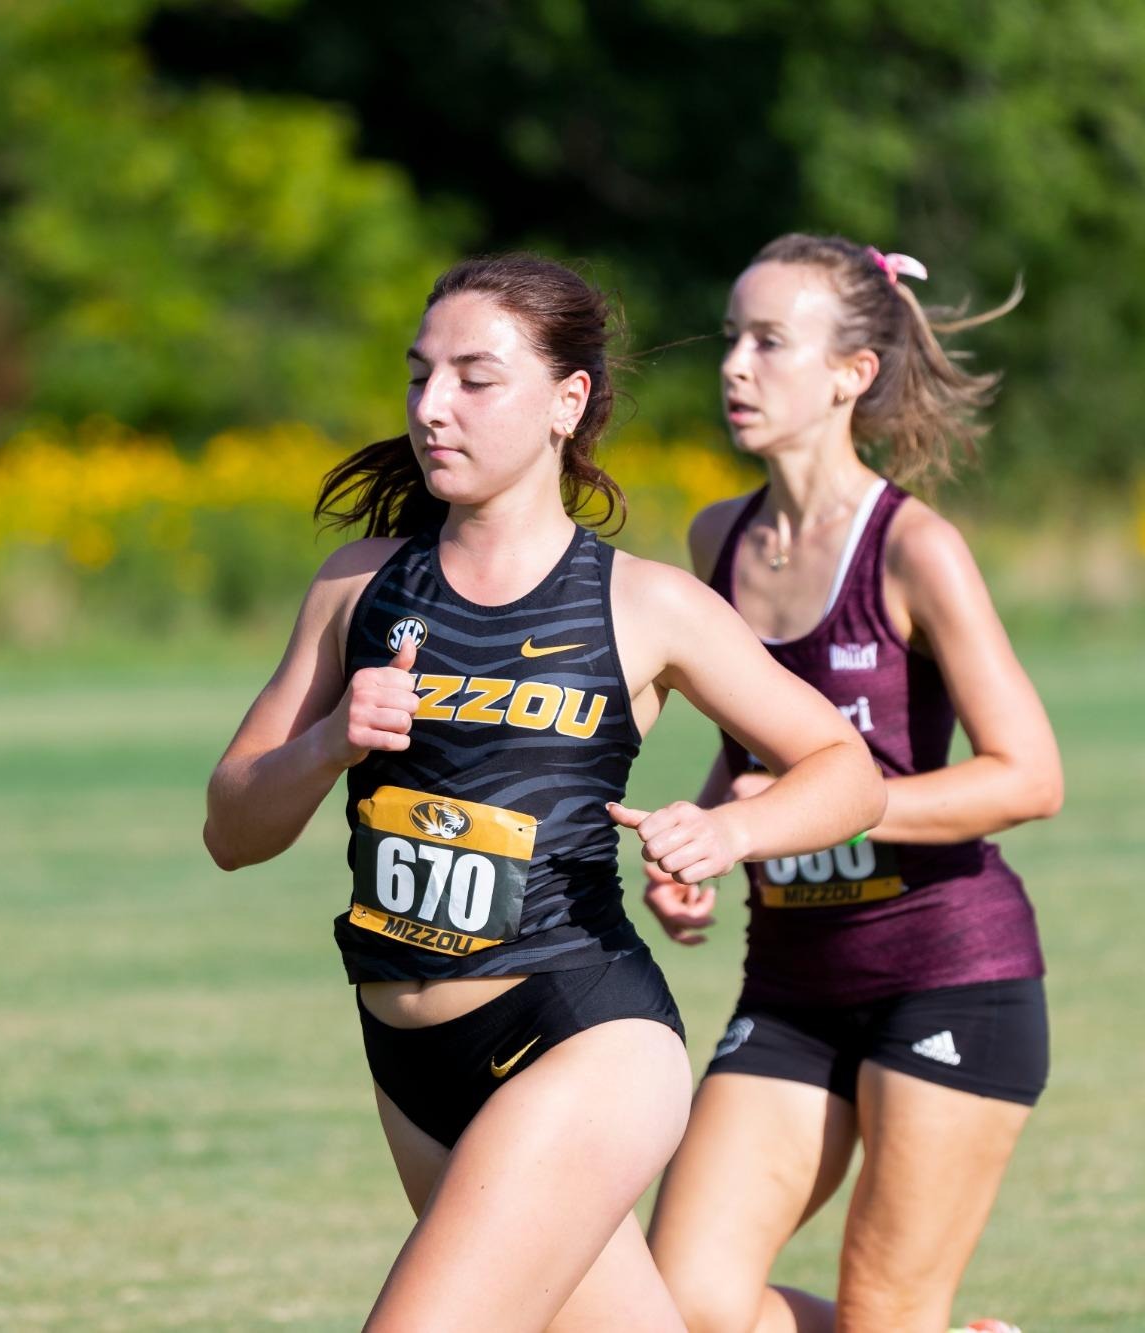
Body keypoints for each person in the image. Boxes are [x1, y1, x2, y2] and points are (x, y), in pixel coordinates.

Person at [203, 253, 885, 1332]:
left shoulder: (646, 604)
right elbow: (231, 828)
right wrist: (328, 743)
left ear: (568, 401)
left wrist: (727, 829)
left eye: (475, 379)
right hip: (409, 1058)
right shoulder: (354, 587)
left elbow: (847, 771)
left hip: (579, 1030)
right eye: (419, 375)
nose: (433, 406)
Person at [640, 233, 1063, 1333]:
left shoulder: (914, 550)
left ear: (850, 374)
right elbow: (756, 749)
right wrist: (704, 838)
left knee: (887, 1313)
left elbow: (1028, 776)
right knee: (679, 1305)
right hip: (789, 984)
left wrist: (773, 822)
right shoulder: (718, 540)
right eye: (730, 338)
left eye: (768, 342)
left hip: (948, 975)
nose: (733, 366)